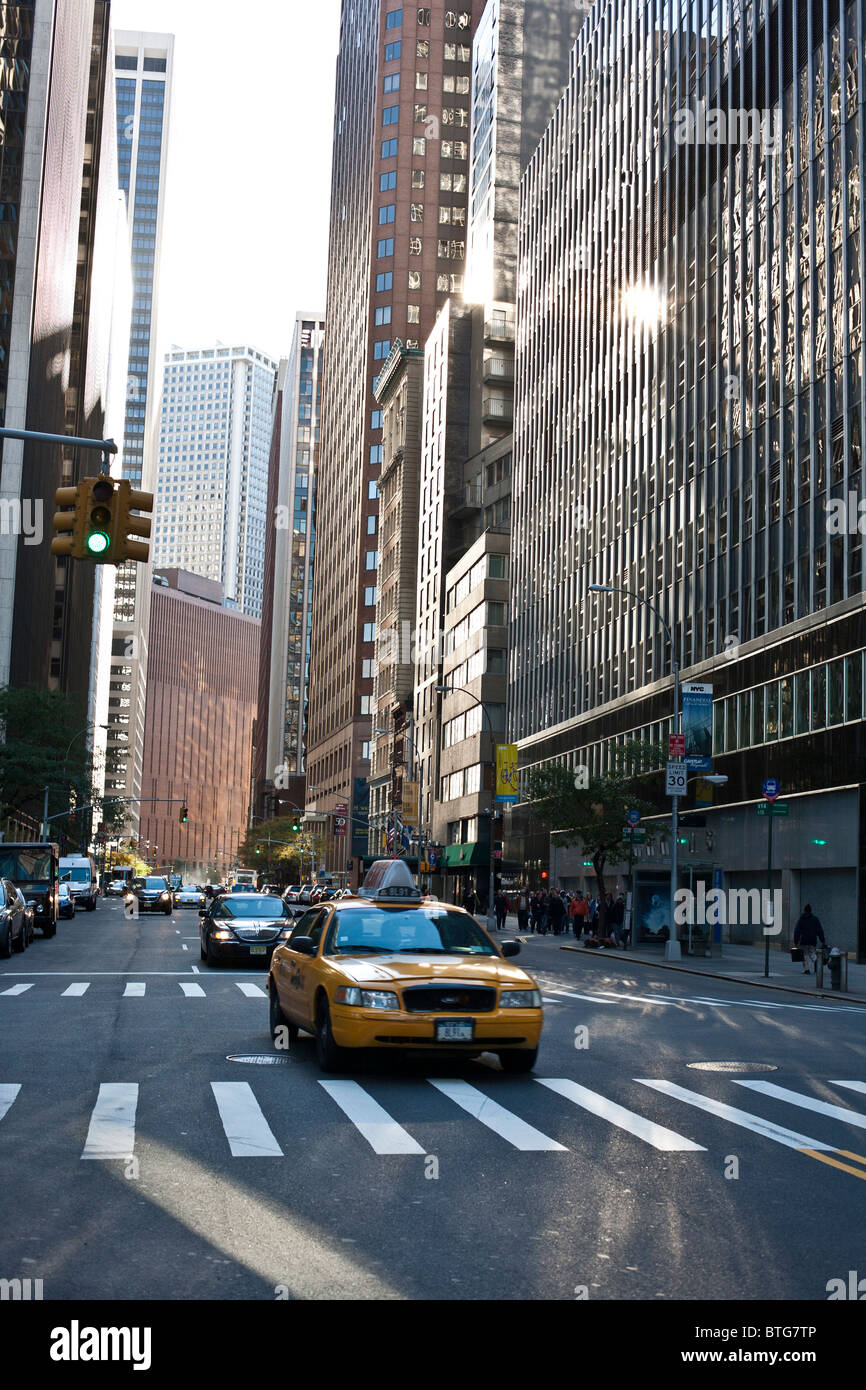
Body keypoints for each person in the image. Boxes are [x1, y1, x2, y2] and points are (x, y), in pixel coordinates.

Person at [793, 904, 825, 975]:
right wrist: (822, 940)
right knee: (812, 953)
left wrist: (796, 941)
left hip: (803, 940)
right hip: (812, 940)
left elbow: (797, 931)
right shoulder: (815, 919)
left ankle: (806, 969)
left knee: (804, 955)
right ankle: (816, 960)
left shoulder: (801, 919)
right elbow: (820, 930)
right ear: (811, 911)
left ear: (804, 910)